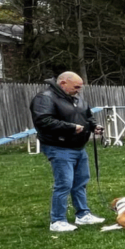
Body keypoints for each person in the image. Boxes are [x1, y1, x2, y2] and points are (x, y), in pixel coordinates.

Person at [31, 71, 105, 233]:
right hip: (59, 147)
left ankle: (83, 214)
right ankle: (57, 220)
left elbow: (87, 115)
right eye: (76, 87)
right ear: (63, 83)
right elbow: (43, 120)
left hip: (78, 147)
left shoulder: (76, 98)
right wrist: (70, 128)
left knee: (81, 182)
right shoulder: (45, 98)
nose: (79, 90)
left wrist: (94, 126)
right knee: (64, 183)